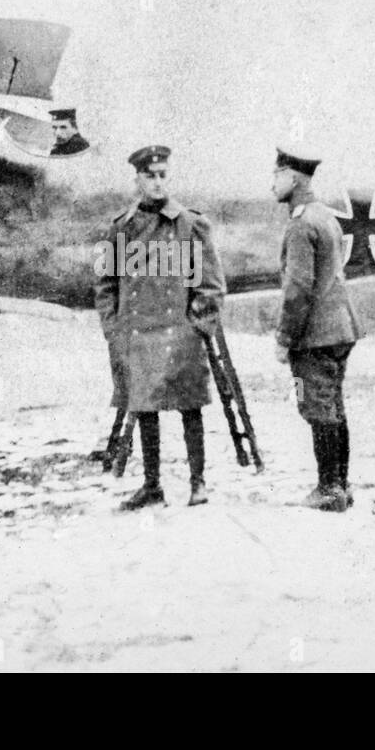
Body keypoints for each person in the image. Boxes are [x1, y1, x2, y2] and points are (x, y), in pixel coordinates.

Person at [94, 145, 226, 509]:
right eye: (149, 176)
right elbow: (105, 284)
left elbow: (211, 284)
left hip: (179, 333)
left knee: (190, 408)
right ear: (137, 179)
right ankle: (153, 486)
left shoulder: (190, 224)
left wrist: (197, 326)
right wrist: (114, 329)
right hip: (137, 333)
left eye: (162, 175)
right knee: (144, 408)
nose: (157, 182)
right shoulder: (121, 227)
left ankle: (198, 483)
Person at [271, 143, 366, 511]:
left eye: (276, 175)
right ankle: (340, 484)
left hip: (315, 335)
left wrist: (284, 338)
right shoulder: (323, 215)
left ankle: (329, 489)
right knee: (333, 406)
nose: (271, 184)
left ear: (292, 177)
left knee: (316, 406)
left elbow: (297, 289)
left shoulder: (300, 226)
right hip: (341, 329)